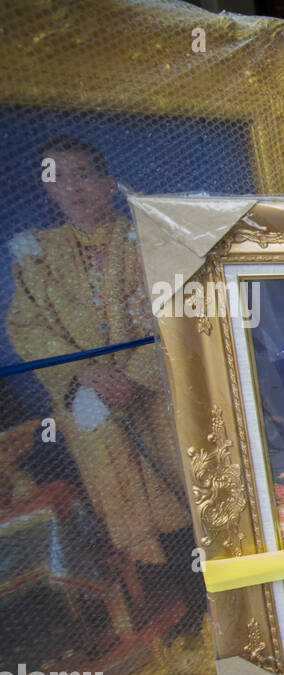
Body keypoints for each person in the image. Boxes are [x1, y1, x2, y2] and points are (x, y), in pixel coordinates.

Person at [5, 135, 193, 601]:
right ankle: (157, 597)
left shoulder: (149, 240)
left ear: (108, 182)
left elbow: (178, 311)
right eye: (57, 178)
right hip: (87, 400)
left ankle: (201, 587)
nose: (72, 187)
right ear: (45, 189)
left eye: (83, 174)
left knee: (181, 485)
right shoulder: (35, 254)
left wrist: (132, 375)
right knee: (121, 501)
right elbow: (27, 328)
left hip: (151, 390)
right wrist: (82, 375)